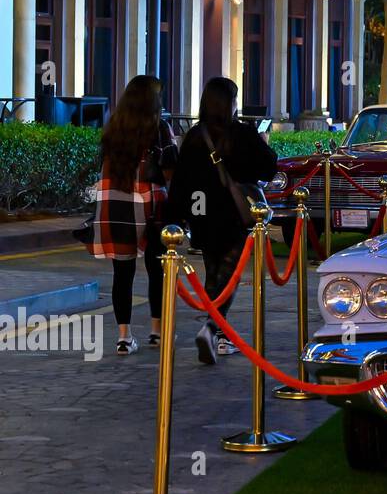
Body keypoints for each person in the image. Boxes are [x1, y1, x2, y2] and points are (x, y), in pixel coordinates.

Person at [168, 77, 278, 365]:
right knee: (229, 274)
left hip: (202, 215)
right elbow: (268, 168)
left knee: (214, 271)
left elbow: (180, 182)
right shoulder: (241, 134)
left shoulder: (194, 136)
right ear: (230, 103)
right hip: (234, 214)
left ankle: (220, 332)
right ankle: (212, 327)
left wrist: (178, 216)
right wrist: (264, 144)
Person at [86, 75, 175, 356]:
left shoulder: (114, 127)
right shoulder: (159, 127)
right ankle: (157, 332)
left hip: (114, 204)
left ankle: (124, 337)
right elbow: (171, 165)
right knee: (156, 271)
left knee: (121, 274)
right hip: (150, 205)